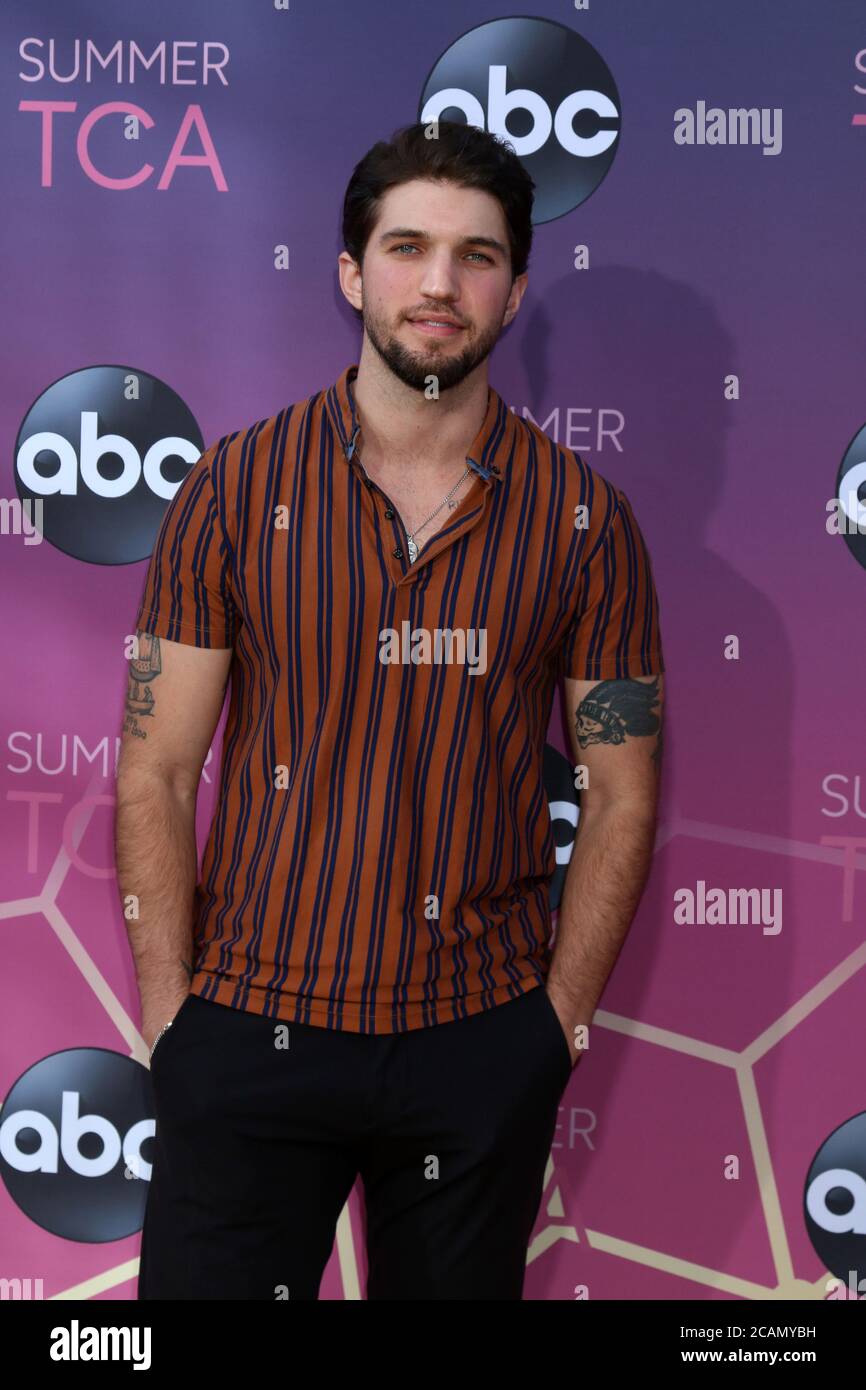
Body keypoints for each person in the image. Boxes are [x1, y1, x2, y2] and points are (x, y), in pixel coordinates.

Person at [115, 119, 665, 1301]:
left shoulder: (584, 520)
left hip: (478, 1037)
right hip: (249, 1028)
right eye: (407, 246)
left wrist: (551, 1024)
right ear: (351, 273)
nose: (438, 282)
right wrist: (173, 1023)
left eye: (475, 255)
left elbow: (619, 786)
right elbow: (156, 766)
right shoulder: (232, 487)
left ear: (513, 291)